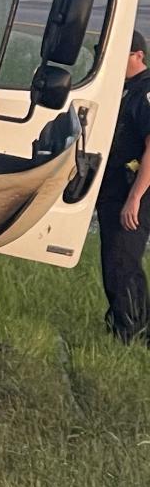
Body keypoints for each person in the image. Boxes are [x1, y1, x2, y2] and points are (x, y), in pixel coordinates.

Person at [98, 30, 150, 341]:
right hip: (117, 189)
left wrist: (134, 197)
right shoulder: (126, 89)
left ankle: (131, 332)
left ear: (137, 55)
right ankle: (124, 323)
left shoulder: (144, 92)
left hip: (135, 191)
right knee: (115, 261)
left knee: (122, 263)